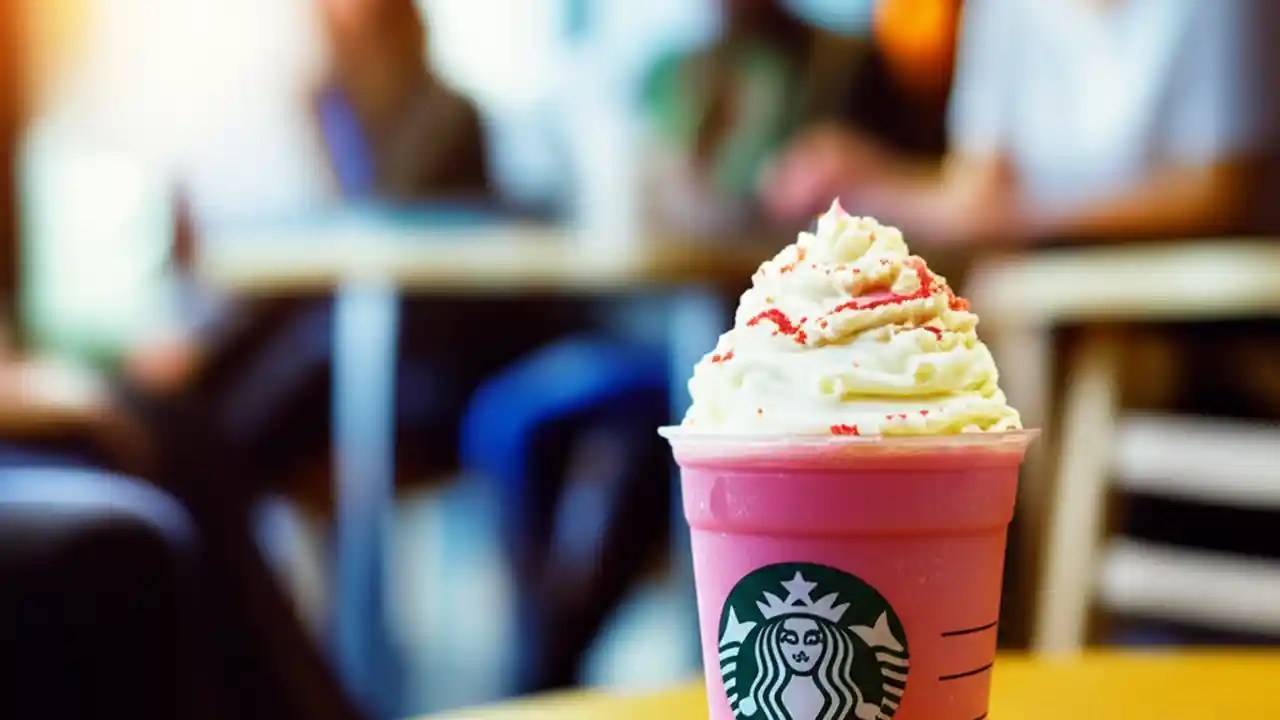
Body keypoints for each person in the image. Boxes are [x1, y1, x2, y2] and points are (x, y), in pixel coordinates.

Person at [765, 0, 1280, 245]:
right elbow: (975, 193)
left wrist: (1020, 219)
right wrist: (868, 177)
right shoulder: (1005, 11)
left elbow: (1218, 194)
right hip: (1043, 291)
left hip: (1195, 311)